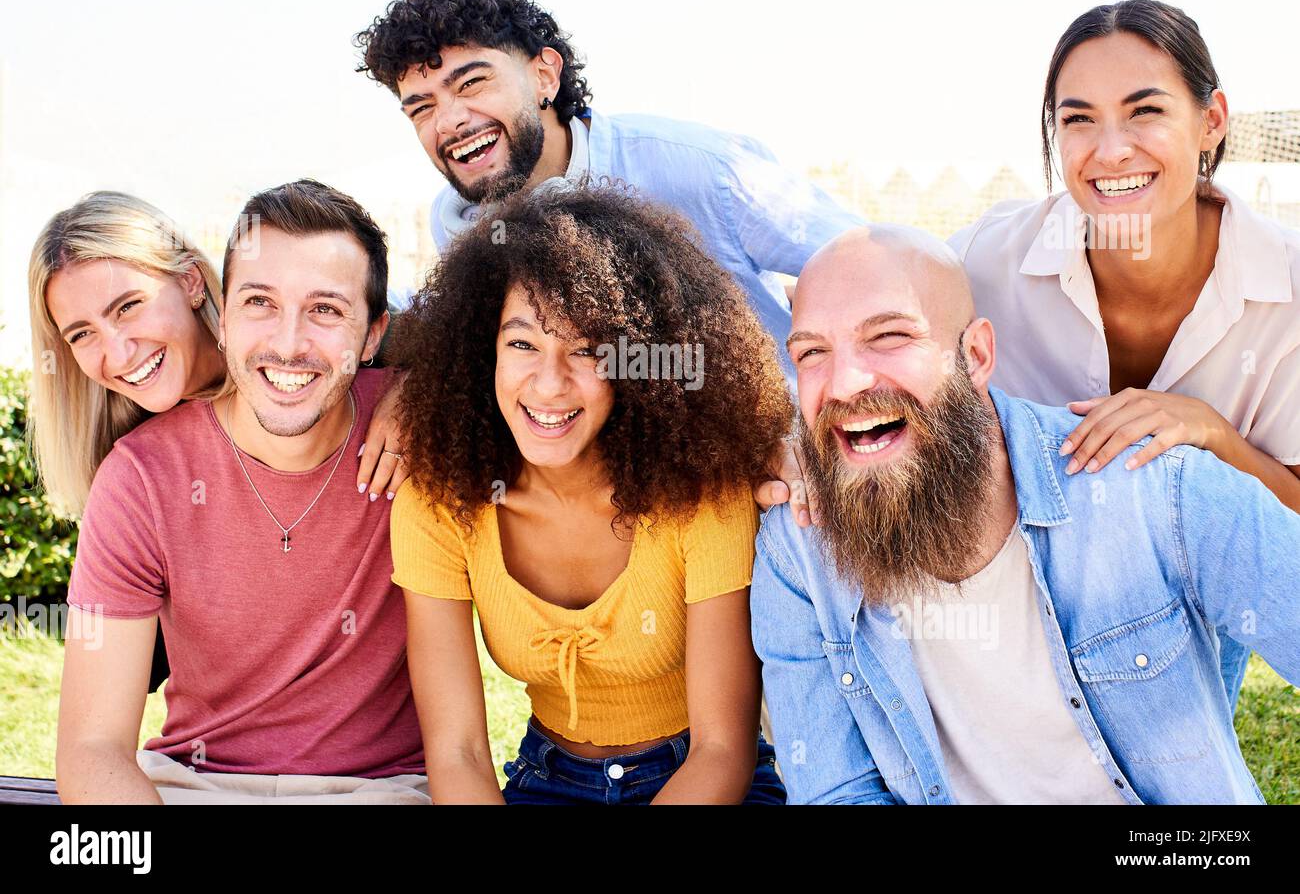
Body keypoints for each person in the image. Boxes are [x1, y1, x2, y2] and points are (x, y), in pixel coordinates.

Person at [752, 224, 1300, 804]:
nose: (845, 382)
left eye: (888, 336)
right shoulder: (799, 548)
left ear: (977, 355)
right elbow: (837, 792)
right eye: (812, 352)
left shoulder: (1154, 489)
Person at [388, 184, 792, 804]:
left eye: (588, 351)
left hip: (699, 779)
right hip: (548, 782)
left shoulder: (700, 493)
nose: (549, 384)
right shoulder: (441, 501)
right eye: (522, 343)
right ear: (481, 351)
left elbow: (723, 751)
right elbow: (458, 752)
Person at [949, 0, 1300, 704]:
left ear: (1212, 121)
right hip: (1020, 590)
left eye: (1145, 111)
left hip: (1195, 604)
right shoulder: (989, 260)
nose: (1109, 150)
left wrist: (1211, 433)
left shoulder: (1287, 289)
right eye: (1078, 119)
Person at [56, 180, 426, 804]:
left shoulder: (414, 429)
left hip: (377, 792)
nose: (287, 342)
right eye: (260, 302)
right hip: (192, 788)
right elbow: (92, 750)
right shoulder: (137, 475)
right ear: (224, 317)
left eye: (326, 310)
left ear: (371, 335)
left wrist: (429, 386)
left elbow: (522, 352)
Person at [354, 0, 861, 381]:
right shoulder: (461, 226)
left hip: (784, 481)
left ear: (544, 74)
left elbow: (875, 265)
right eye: (421, 108)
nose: (449, 122)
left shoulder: (700, 170)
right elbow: (427, 317)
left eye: (471, 82)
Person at [29, 191, 409, 522]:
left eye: (128, 307)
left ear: (190, 281)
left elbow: (443, 340)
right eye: (82, 334)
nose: (119, 353)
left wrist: (412, 392)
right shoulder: (129, 464)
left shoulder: (310, 336)